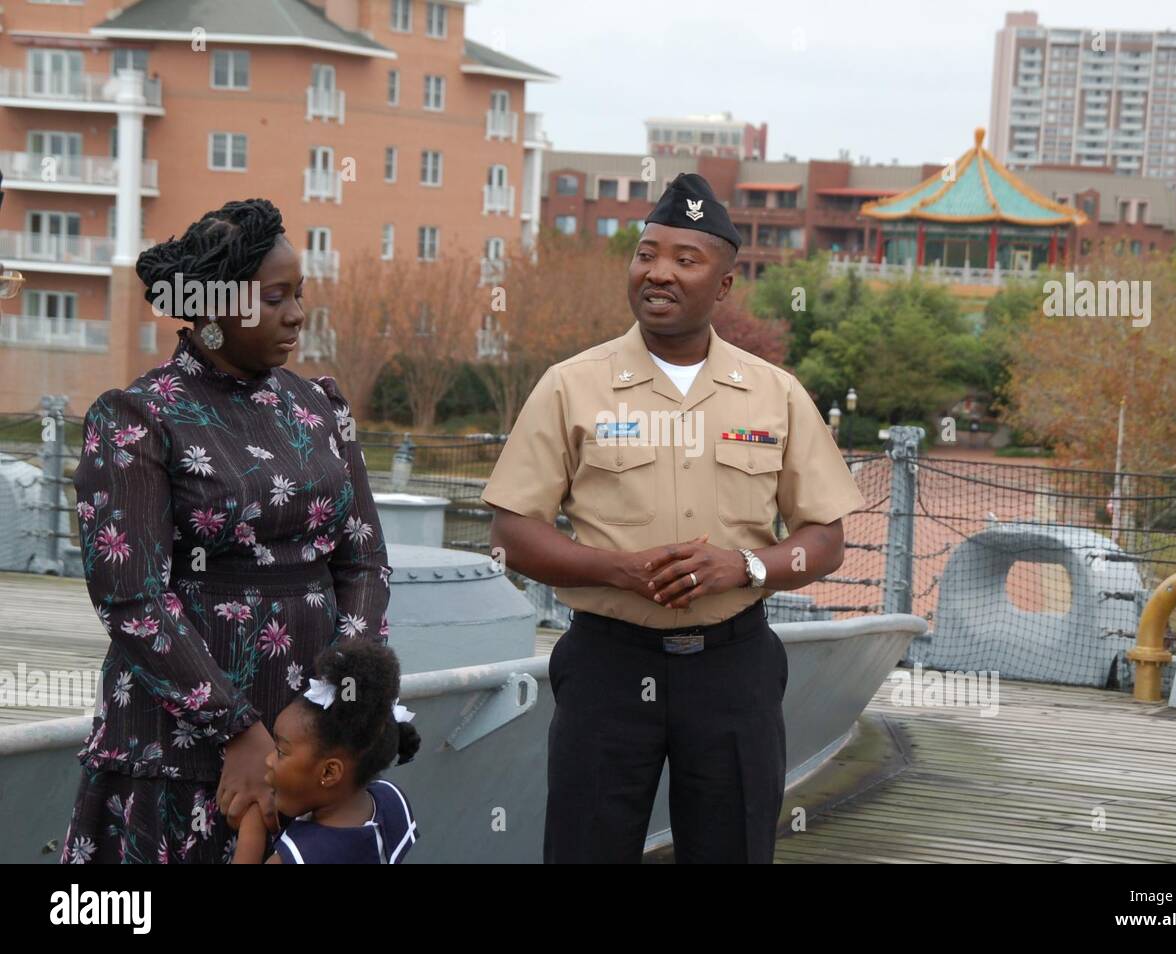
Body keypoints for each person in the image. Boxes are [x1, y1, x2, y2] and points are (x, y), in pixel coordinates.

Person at [481, 173, 866, 864]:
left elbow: (826, 540)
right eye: (646, 253)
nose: (658, 272)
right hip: (607, 665)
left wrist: (745, 566)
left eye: (685, 260)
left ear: (723, 285)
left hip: (733, 670)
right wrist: (616, 570)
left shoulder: (774, 394)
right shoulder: (572, 386)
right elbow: (512, 535)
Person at [59, 198, 391, 864]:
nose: (297, 314)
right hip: (181, 741)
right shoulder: (137, 417)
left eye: (299, 295)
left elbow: (364, 562)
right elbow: (131, 598)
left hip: (310, 748)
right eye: (274, 298)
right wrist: (238, 733)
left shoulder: (320, 406)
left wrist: (336, 708)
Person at [233, 641, 420, 864]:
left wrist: (252, 827)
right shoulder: (392, 799)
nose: (268, 760)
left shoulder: (298, 857)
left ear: (329, 772)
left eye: (281, 751)